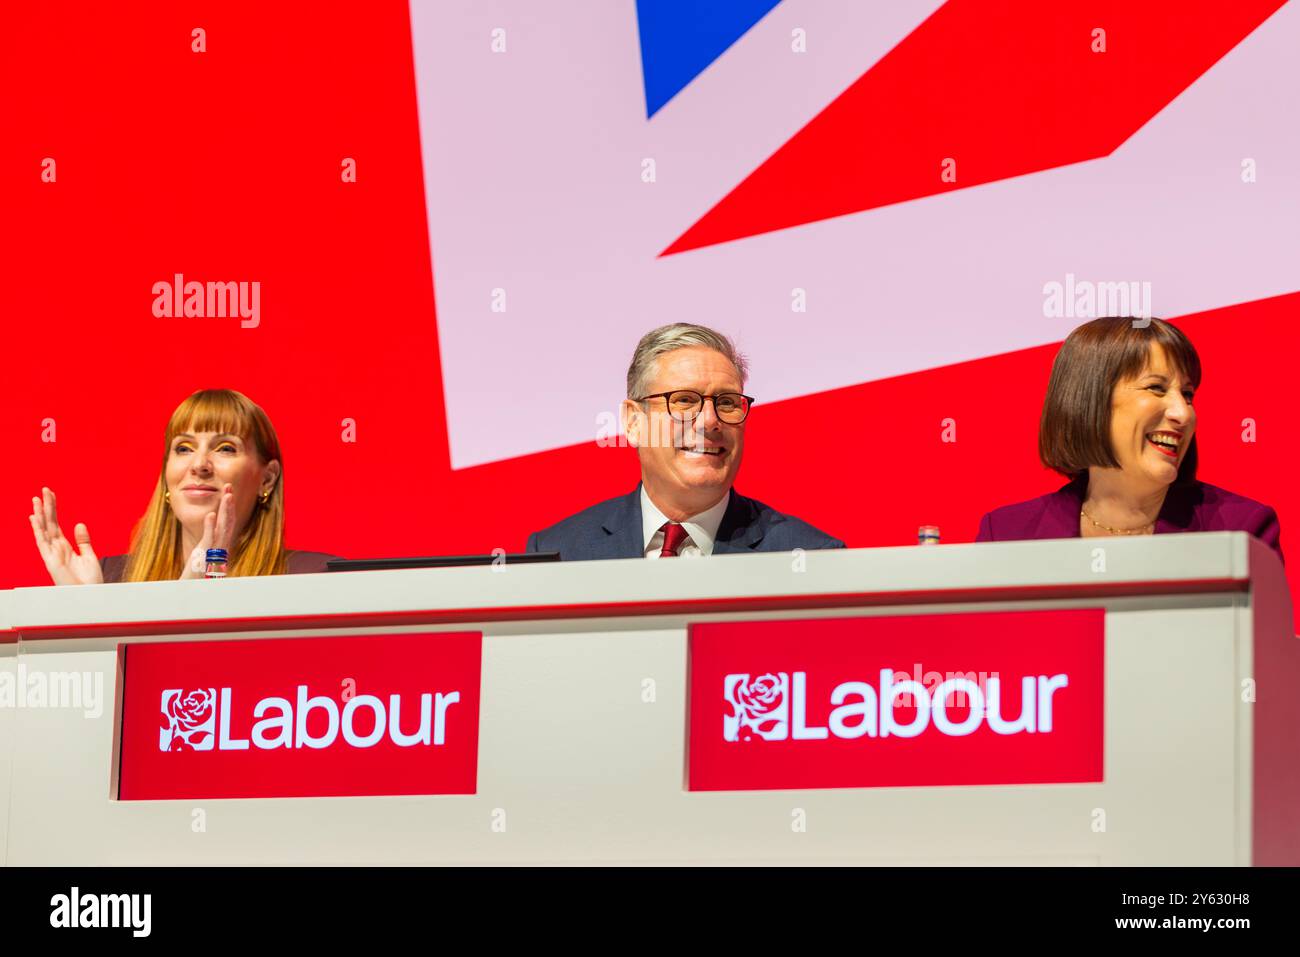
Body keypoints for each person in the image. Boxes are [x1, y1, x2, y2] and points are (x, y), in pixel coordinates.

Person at [527, 323, 844, 559]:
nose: (709, 420)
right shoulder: (561, 553)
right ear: (634, 423)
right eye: (684, 400)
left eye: (727, 402)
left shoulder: (809, 556)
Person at [977, 317, 1282, 559]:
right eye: (1156, 388)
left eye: (1187, 394)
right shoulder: (1006, 534)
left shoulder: (1244, 531)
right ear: (1090, 400)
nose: (1184, 413)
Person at [29, 388, 337, 583]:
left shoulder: (313, 577)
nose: (199, 464)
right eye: (184, 448)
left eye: (225, 448)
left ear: (267, 478)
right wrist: (81, 616)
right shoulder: (110, 579)